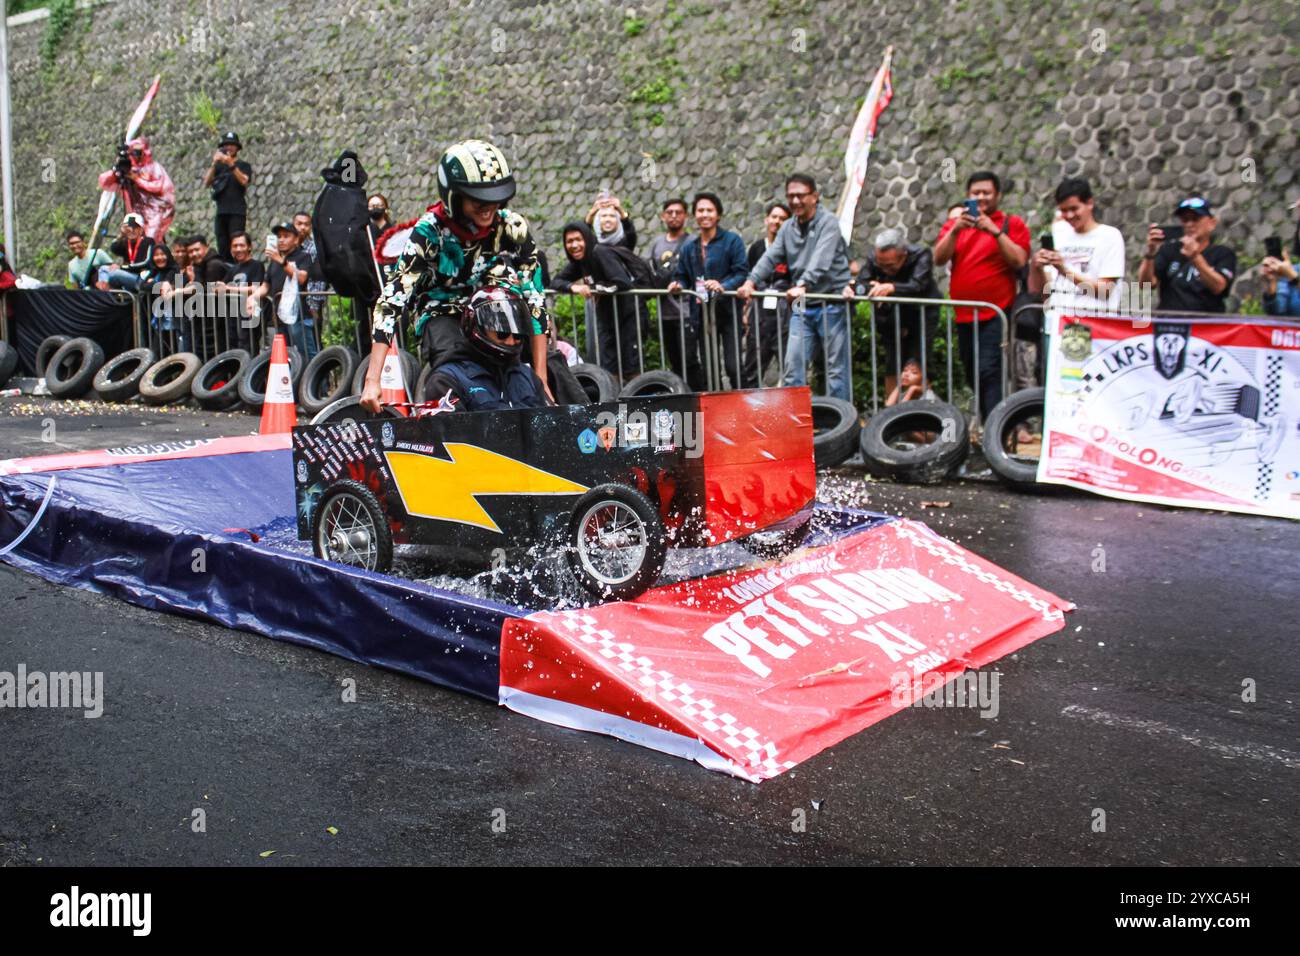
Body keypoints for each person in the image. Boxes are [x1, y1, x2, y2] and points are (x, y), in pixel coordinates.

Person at [360, 140, 552, 414]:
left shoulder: (512, 226)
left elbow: (534, 297)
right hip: (441, 309)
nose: (488, 208)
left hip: (492, 304)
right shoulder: (429, 231)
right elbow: (391, 301)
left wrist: (540, 377)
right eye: (478, 200)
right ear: (454, 196)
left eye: (494, 199)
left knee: (517, 356)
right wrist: (372, 380)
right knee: (455, 365)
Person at [737, 173, 854, 401]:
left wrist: (803, 284)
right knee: (793, 367)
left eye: (800, 195)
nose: (795, 201)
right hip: (802, 303)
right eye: (791, 196)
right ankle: (795, 423)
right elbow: (771, 256)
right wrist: (750, 281)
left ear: (814, 197)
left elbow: (821, 258)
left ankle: (842, 429)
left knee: (835, 371)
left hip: (831, 300)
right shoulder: (788, 227)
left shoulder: (828, 222)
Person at [933, 170, 1029, 420]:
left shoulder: (1011, 223)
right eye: (976, 193)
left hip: (996, 311)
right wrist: (955, 230)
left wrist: (994, 231)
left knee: (990, 371)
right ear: (968, 196)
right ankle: (994, 425)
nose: (981, 197)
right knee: (972, 372)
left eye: (986, 192)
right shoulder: (956, 225)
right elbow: (938, 258)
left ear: (997, 195)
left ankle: (994, 431)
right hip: (964, 314)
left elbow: (1019, 260)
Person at [420, 287, 549, 411]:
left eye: (517, 335)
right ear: (477, 329)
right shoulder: (446, 381)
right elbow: (449, 432)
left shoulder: (527, 376)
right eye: (502, 333)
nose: (511, 342)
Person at [669, 192, 749, 389]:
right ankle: (718, 410)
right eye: (700, 210)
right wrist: (677, 284)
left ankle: (744, 405)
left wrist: (724, 286)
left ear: (718, 214)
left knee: (733, 365)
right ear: (695, 215)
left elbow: (741, 272)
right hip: (703, 315)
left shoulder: (732, 241)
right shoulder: (689, 248)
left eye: (709, 210)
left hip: (729, 311)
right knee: (710, 368)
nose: (705, 214)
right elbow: (682, 275)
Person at [852, 227, 939, 395]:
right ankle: (890, 411)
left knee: (917, 363)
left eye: (890, 266)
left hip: (921, 316)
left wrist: (891, 287)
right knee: (892, 363)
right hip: (891, 318)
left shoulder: (921, 254)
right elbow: (861, 283)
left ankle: (924, 408)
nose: (884, 270)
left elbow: (917, 285)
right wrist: (867, 287)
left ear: (903, 255)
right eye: (881, 265)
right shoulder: (873, 258)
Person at [553, 221, 641, 380]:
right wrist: (574, 287)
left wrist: (596, 288)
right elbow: (556, 281)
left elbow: (622, 282)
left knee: (631, 369)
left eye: (578, 240)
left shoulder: (600, 252)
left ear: (587, 238)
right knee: (609, 369)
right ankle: (616, 403)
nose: (574, 245)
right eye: (569, 241)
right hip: (607, 322)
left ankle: (641, 404)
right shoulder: (580, 262)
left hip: (628, 318)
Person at [1028, 178, 1125, 318]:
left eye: (1074, 209)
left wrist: (1064, 270)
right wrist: (1036, 267)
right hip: (1059, 322)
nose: (1069, 216)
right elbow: (1045, 292)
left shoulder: (1109, 236)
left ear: (1089, 203)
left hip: (1096, 324)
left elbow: (1105, 290)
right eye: (1064, 211)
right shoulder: (1060, 233)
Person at [1138, 196, 1236, 314]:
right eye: (1185, 220)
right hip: (1170, 321)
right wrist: (1150, 253)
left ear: (1212, 223)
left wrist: (1195, 257)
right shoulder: (1170, 250)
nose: (1190, 224)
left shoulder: (1223, 253)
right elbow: (1145, 285)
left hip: (1205, 325)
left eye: (1195, 219)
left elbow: (1218, 287)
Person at [647, 198, 702, 388]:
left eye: (678, 212)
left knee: (690, 361)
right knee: (675, 362)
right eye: (669, 212)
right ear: (663, 216)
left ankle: (697, 396)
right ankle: (682, 397)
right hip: (665, 312)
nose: (673, 216)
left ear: (686, 216)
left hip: (686, 311)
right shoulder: (657, 244)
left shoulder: (693, 242)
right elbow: (651, 272)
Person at [740, 201, 791, 388]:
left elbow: (799, 283)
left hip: (786, 315)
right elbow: (749, 280)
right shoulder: (757, 248)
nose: (777, 221)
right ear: (766, 219)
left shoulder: (791, 249)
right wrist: (744, 312)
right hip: (759, 315)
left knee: (789, 365)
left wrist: (800, 315)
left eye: (783, 219)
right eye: (774, 217)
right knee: (753, 365)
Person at [250, 221, 315, 360]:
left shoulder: (303, 256)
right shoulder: (274, 261)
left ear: (296, 239)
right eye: (279, 236)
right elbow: (266, 285)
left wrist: (283, 262)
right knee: (286, 355)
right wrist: (253, 297)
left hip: (299, 316)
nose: (281, 240)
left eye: (286, 236)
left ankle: (318, 382)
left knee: (307, 355)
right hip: (279, 317)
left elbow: (302, 278)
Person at [97, 137, 175, 243]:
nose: (135, 155)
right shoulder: (128, 170)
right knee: (135, 240)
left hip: (156, 210)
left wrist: (137, 179)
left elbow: (158, 187)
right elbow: (104, 182)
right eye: (132, 152)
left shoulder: (154, 167)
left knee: (151, 239)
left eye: (138, 152)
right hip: (137, 212)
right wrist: (116, 170)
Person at [202, 131, 252, 259]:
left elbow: (244, 181)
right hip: (221, 210)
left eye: (232, 145)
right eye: (226, 145)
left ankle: (238, 267)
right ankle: (225, 270)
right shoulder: (218, 166)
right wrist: (214, 163)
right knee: (222, 244)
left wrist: (231, 164)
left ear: (237, 148)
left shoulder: (244, 165)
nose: (229, 147)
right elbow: (206, 182)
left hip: (237, 211)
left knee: (236, 242)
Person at [221, 232, 268, 351]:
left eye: (241, 245)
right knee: (234, 346)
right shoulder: (233, 269)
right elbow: (221, 286)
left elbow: (255, 288)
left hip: (249, 315)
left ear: (249, 247)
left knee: (249, 346)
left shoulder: (257, 265)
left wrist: (228, 288)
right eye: (235, 246)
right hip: (233, 316)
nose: (238, 249)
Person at [140, 243, 186, 354]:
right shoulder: (154, 270)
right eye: (156, 255)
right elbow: (142, 285)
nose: (159, 257)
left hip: (172, 315)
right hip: (158, 316)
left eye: (162, 254)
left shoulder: (174, 269)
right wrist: (157, 284)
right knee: (158, 347)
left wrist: (154, 283)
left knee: (172, 345)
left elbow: (167, 287)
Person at [293, 210, 329, 348]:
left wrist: (313, 304)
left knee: (313, 340)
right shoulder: (289, 247)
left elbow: (318, 278)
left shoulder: (314, 249)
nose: (302, 227)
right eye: (299, 224)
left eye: (306, 224)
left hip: (309, 301)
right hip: (291, 300)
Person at [99, 213, 155, 291]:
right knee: (103, 269)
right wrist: (121, 234)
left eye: (135, 227)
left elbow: (146, 263)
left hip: (141, 277)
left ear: (141, 229)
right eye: (128, 228)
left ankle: (108, 295)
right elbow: (114, 248)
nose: (131, 230)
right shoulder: (126, 243)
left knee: (114, 273)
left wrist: (122, 267)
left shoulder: (148, 241)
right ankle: (106, 294)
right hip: (128, 275)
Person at [1261, 252, 1300, 318]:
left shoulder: (1290, 271)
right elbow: (1276, 314)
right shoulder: (1289, 270)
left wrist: (1291, 274)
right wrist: (1271, 281)